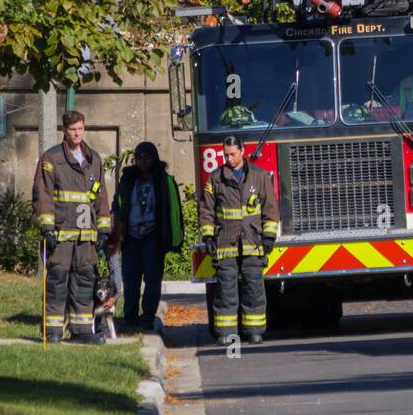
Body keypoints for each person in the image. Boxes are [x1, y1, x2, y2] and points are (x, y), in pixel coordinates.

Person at [33, 111, 112, 343]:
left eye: (80, 129)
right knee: (57, 281)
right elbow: (42, 194)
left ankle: (82, 331)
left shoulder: (94, 159)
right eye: (72, 129)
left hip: (86, 236)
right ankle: (53, 331)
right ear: (64, 131)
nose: (77, 133)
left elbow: (100, 196)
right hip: (61, 234)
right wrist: (47, 228)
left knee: (85, 283)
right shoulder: (51, 158)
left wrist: (104, 228)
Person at [198, 133, 279, 345]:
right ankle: (226, 334)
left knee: (253, 287)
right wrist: (208, 236)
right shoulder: (215, 179)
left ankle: (255, 331)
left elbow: (270, 209)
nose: (229, 159)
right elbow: (206, 210)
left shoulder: (260, 177)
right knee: (226, 290)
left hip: (253, 243)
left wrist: (269, 237)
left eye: (232, 154)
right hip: (226, 244)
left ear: (242, 151)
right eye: (225, 155)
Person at [110, 141, 184, 333]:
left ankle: (148, 317)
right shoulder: (127, 180)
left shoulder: (163, 180)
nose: (143, 162)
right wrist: (117, 231)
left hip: (153, 236)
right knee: (131, 278)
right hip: (131, 237)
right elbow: (117, 206)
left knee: (152, 279)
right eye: (139, 158)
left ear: (154, 159)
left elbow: (174, 211)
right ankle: (130, 317)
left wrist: (172, 239)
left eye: (147, 158)